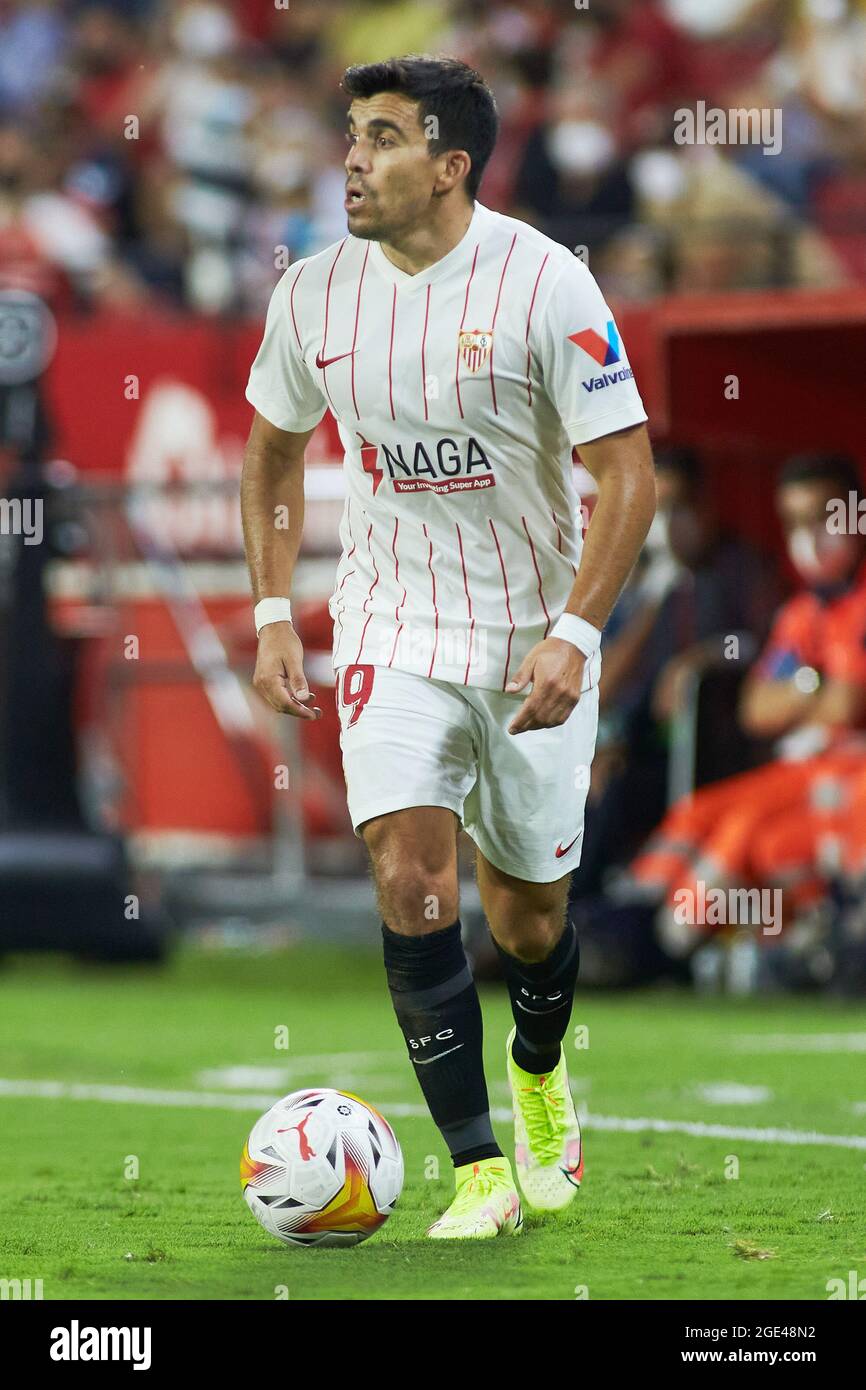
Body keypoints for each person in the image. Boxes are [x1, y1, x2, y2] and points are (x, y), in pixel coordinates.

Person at [241, 55, 654, 1240]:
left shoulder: (544, 284)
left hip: (529, 631)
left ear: (448, 164)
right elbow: (270, 453)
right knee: (409, 878)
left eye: (378, 139)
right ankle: (476, 1168)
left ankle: (536, 1066)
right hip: (391, 618)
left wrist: (577, 630)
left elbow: (621, 470)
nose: (350, 160)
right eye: (349, 136)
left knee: (526, 920)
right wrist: (277, 611)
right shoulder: (314, 294)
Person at [629, 452, 866, 953]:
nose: (809, 535)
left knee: (751, 838)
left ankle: (670, 946)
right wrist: (813, 684)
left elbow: (845, 706)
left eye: (823, 517)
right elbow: (756, 710)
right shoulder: (804, 613)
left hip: (849, 776)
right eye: (794, 522)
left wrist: (809, 692)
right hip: (808, 770)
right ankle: (631, 915)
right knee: (697, 813)